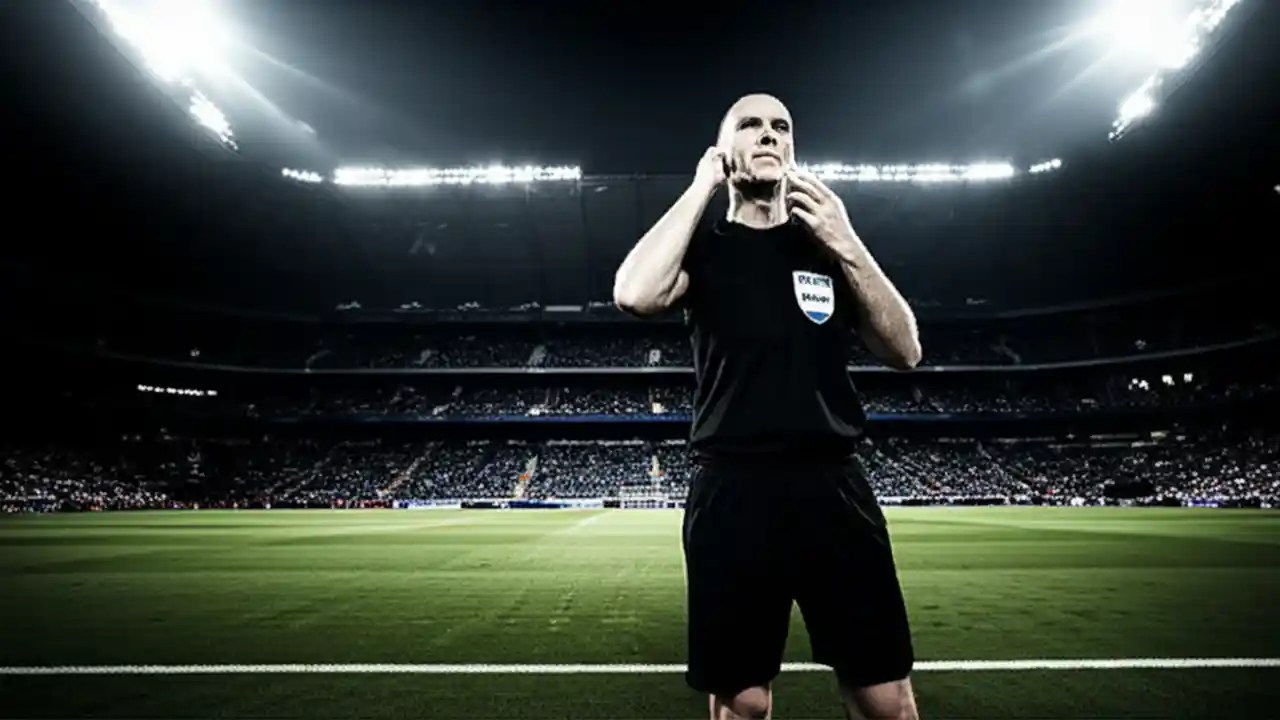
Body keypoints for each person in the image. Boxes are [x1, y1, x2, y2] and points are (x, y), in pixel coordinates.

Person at [613, 94, 923, 720]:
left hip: (833, 483)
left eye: (780, 126)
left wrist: (847, 239)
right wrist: (701, 187)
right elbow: (634, 293)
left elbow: (905, 349)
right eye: (749, 125)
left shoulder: (828, 251)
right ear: (723, 148)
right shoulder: (702, 252)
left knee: (885, 697)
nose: (768, 135)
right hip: (732, 487)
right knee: (743, 701)